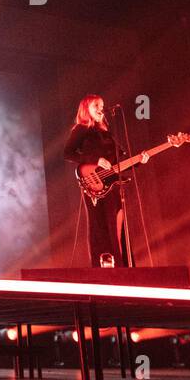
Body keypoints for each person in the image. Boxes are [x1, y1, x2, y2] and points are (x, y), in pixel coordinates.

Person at [64, 95, 146, 267]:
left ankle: (122, 265)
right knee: (100, 226)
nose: (101, 108)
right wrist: (96, 160)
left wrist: (139, 160)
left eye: (102, 105)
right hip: (94, 184)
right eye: (96, 105)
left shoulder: (107, 134)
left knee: (117, 224)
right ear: (87, 108)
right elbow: (68, 153)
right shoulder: (81, 129)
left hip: (112, 185)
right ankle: (102, 265)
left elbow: (119, 163)